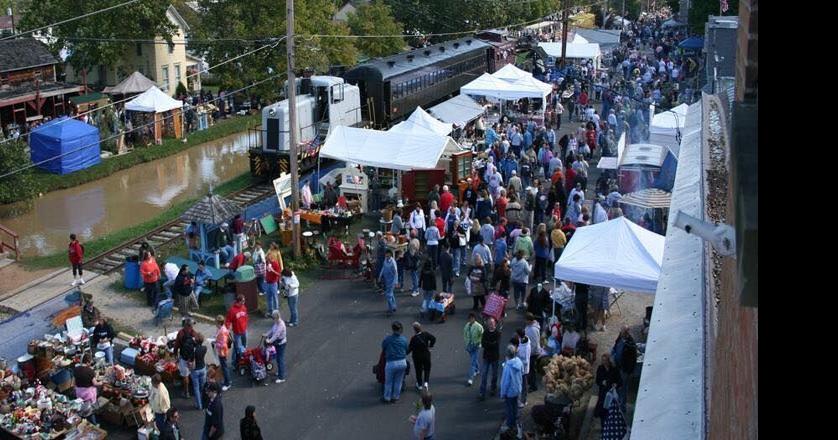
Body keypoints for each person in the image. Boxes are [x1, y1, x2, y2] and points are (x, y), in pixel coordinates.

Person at [611, 326, 637, 413]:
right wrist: (613, 355)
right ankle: (617, 403)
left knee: (623, 387)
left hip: (624, 369)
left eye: (623, 332)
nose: (621, 334)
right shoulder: (620, 337)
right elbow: (615, 345)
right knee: (618, 385)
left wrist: (629, 370)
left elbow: (633, 359)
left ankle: (622, 406)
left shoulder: (630, 343)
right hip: (617, 366)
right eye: (621, 332)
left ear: (626, 333)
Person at [381, 321, 409, 403]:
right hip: (402, 362)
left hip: (391, 362)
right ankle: (395, 397)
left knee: (388, 382)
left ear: (393, 329)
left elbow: (383, 347)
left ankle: (387, 397)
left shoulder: (387, 339)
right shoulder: (404, 339)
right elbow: (407, 349)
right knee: (398, 381)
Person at [500, 344, 524, 435]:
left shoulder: (507, 366)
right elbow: (522, 372)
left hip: (510, 391)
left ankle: (510, 426)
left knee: (509, 408)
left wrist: (503, 393)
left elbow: (505, 382)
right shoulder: (519, 362)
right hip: (517, 389)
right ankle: (515, 421)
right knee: (515, 407)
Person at [407, 322, 436, 390]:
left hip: (417, 357)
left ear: (414, 330)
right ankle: (426, 382)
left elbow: (410, 348)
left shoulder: (413, 338)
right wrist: (430, 345)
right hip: (426, 354)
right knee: (427, 369)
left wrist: (404, 354)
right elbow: (433, 338)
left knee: (418, 370)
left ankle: (419, 384)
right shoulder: (426, 334)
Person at [73, 353, 101, 425]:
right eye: (90, 362)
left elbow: (74, 382)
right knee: (89, 410)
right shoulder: (90, 371)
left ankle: (82, 421)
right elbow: (95, 383)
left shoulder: (76, 369)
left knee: (82, 406)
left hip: (79, 392)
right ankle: (94, 424)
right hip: (87, 394)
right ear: (88, 362)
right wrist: (101, 382)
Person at [173, 318, 197, 398]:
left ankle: (186, 392)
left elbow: (176, 345)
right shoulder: (194, 333)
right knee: (194, 373)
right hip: (192, 358)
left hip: (184, 357)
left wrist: (175, 354)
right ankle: (196, 389)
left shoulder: (181, 333)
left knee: (185, 375)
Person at [478, 317, 501, 400]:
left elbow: (494, 344)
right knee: (484, 375)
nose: (490, 325)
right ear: (487, 324)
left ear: (495, 324)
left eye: (492, 323)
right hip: (487, 357)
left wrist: (488, 344)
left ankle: (493, 388)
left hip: (494, 357)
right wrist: (490, 344)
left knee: (494, 375)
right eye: (489, 323)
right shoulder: (485, 333)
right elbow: (483, 344)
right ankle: (482, 392)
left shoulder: (497, 333)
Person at [225, 294, 249, 366]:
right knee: (237, 348)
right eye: (243, 301)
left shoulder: (244, 307)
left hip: (244, 330)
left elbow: (246, 316)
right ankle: (234, 362)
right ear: (239, 301)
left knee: (244, 346)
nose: (244, 302)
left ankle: (243, 359)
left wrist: (245, 323)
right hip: (237, 332)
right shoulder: (232, 310)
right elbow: (228, 320)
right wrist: (228, 328)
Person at [265, 309, 288, 383]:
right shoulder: (276, 323)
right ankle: (281, 372)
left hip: (281, 344)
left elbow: (276, 335)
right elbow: (272, 330)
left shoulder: (281, 325)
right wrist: (266, 334)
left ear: (277, 317)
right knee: (278, 359)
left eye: (273, 318)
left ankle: (281, 377)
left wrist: (269, 341)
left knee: (280, 359)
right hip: (278, 343)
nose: (273, 319)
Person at [463, 313, 484, 386]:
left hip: (476, 346)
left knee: (472, 362)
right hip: (469, 346)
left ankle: (470, 379)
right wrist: (466, 343)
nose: (470, 320)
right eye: (469, 318)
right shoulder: (467, 325)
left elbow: (482, 335)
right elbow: (465, 334)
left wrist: (479, 343)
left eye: (472, 318)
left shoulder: (479, 327)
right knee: (474, 359)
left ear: (474, 318)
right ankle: (477, 369)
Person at [525, 313, 543, 392]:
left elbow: (534, 343)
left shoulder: (533, 329)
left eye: (526, 320)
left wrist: (529, 353)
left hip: (533, 353)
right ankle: (531, 383)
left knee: (531, 370)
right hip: (531, 352)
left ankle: (533, 386)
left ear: (529, 320)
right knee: (530, 369)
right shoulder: (531, 327)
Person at [190, 333, 208, 410]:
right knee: (203, 387)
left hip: (196, 370)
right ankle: (204, 403)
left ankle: (199, 405)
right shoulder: (204, 348)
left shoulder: (194, 350)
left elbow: (191, 360)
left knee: (196, 388)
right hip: (203, 368)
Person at [514, 329, 531, 408]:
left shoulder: (525, 347)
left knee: (523, 385)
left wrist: (517, 354)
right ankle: (522, 400)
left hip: (523, 369)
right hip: (521, 368)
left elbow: (526, 360)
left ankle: (523, 401)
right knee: (522, 384)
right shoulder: (523, 341)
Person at [214, 315, 232, 391]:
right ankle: (226, 381)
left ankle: (228, 383)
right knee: (224, 367)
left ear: (219, 323)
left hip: (222, 352)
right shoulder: (221, 328)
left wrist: (215, 343)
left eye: (216, 323)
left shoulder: (222, 331)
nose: (215, 324)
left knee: (225, 368)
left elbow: (223, 344)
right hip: (221, 351)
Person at [379, 250, 399, 315]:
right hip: (387, 280)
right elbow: (383, 267)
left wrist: (396, 281)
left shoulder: (393, 262)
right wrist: (380, 276)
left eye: (387, 255)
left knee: (388, 295)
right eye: (386, 255)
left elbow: (396, 273)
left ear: (390, 255)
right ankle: (394, 306)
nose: (386, 256)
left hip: (392, 281)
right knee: (391, 294)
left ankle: (390, 309)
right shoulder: (385, 260)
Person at [264, 252, 281, 318]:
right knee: (268, 298)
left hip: (273, 283)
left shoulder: (276, 264)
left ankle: (276, 313)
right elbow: (267, 271)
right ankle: (270, 311)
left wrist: (273, 271)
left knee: (275, 298)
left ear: (272, 257)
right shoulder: (268, 263)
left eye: (268, 257)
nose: (267, 258)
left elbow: (279, 274)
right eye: (267, 257)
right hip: (267, 283)